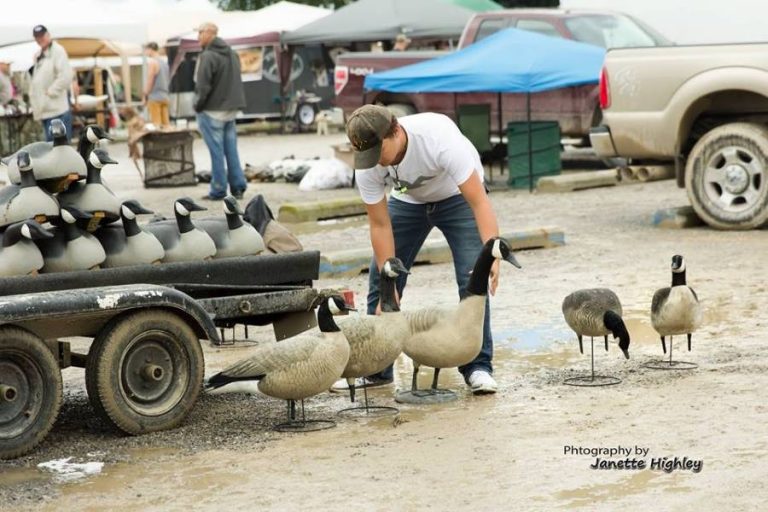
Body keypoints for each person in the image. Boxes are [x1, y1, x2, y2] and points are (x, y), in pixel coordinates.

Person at [334, 104, 503, 395]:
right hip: (408, 202)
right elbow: (379, 225)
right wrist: (389, 286)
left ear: (395, 132)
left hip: (457, 197)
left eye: (378, 152)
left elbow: (479, 203)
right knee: (380, 280)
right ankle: (377, 370)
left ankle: (478, 367)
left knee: (472, 277)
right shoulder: (368, 163)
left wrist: (492, 253)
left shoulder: (439, 139)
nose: (375, 161)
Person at [194, 22, 247, 200]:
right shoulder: (232, 53)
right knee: (231, 150)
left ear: (210, 33)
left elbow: (203, 86)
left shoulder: (208, 55)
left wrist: (197, 105)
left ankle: (218, 189)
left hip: (212, 110)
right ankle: (238, 187)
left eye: (200, 32)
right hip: (230, 110)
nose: (198, 37)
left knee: (216, 152)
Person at [29, 25, 73, 142]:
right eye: (37, 37)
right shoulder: (39, 55)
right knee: (51, 147)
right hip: (46, 111)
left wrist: (50, 92)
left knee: (60, 147)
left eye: (42, 36)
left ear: (48, 35)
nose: (40, 39)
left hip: (57, 111)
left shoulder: (58, 51)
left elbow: (66, 76)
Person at [142, 42, 171, 127]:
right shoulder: (165, 63)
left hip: (155, 98)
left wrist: (145, 95)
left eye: (146, 50)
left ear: (150, 49)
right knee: (166, 125)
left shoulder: (153, 63)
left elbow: (150, 81)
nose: (145, 53)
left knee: (157, 125)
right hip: (165, 96)